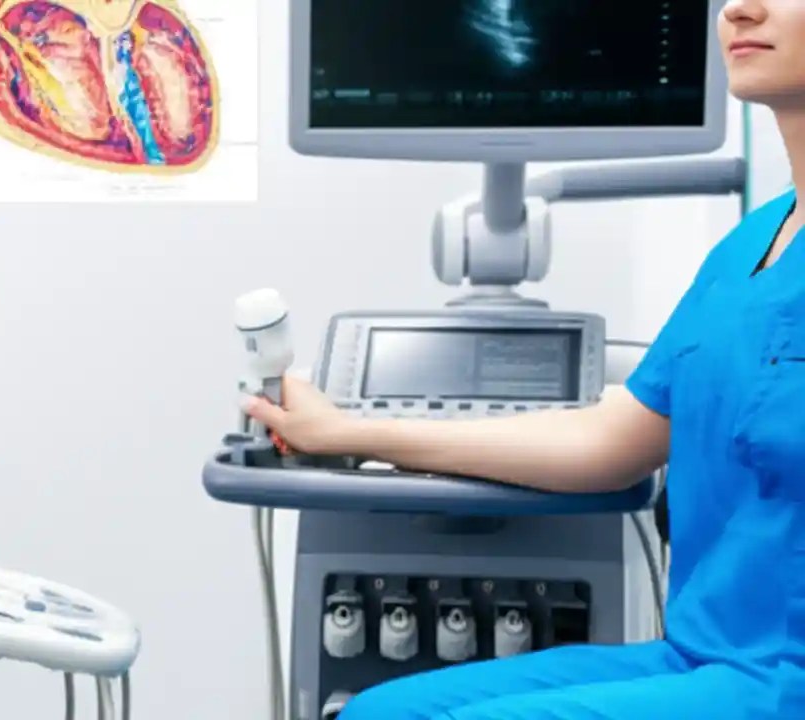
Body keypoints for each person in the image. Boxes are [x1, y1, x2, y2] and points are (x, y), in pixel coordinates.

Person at [242, 2, 805, 718]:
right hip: (700, 657)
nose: (739, 9)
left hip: (782, 686)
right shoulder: (748, 248)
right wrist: (351, 430)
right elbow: (610, 439)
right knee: (376, 712)